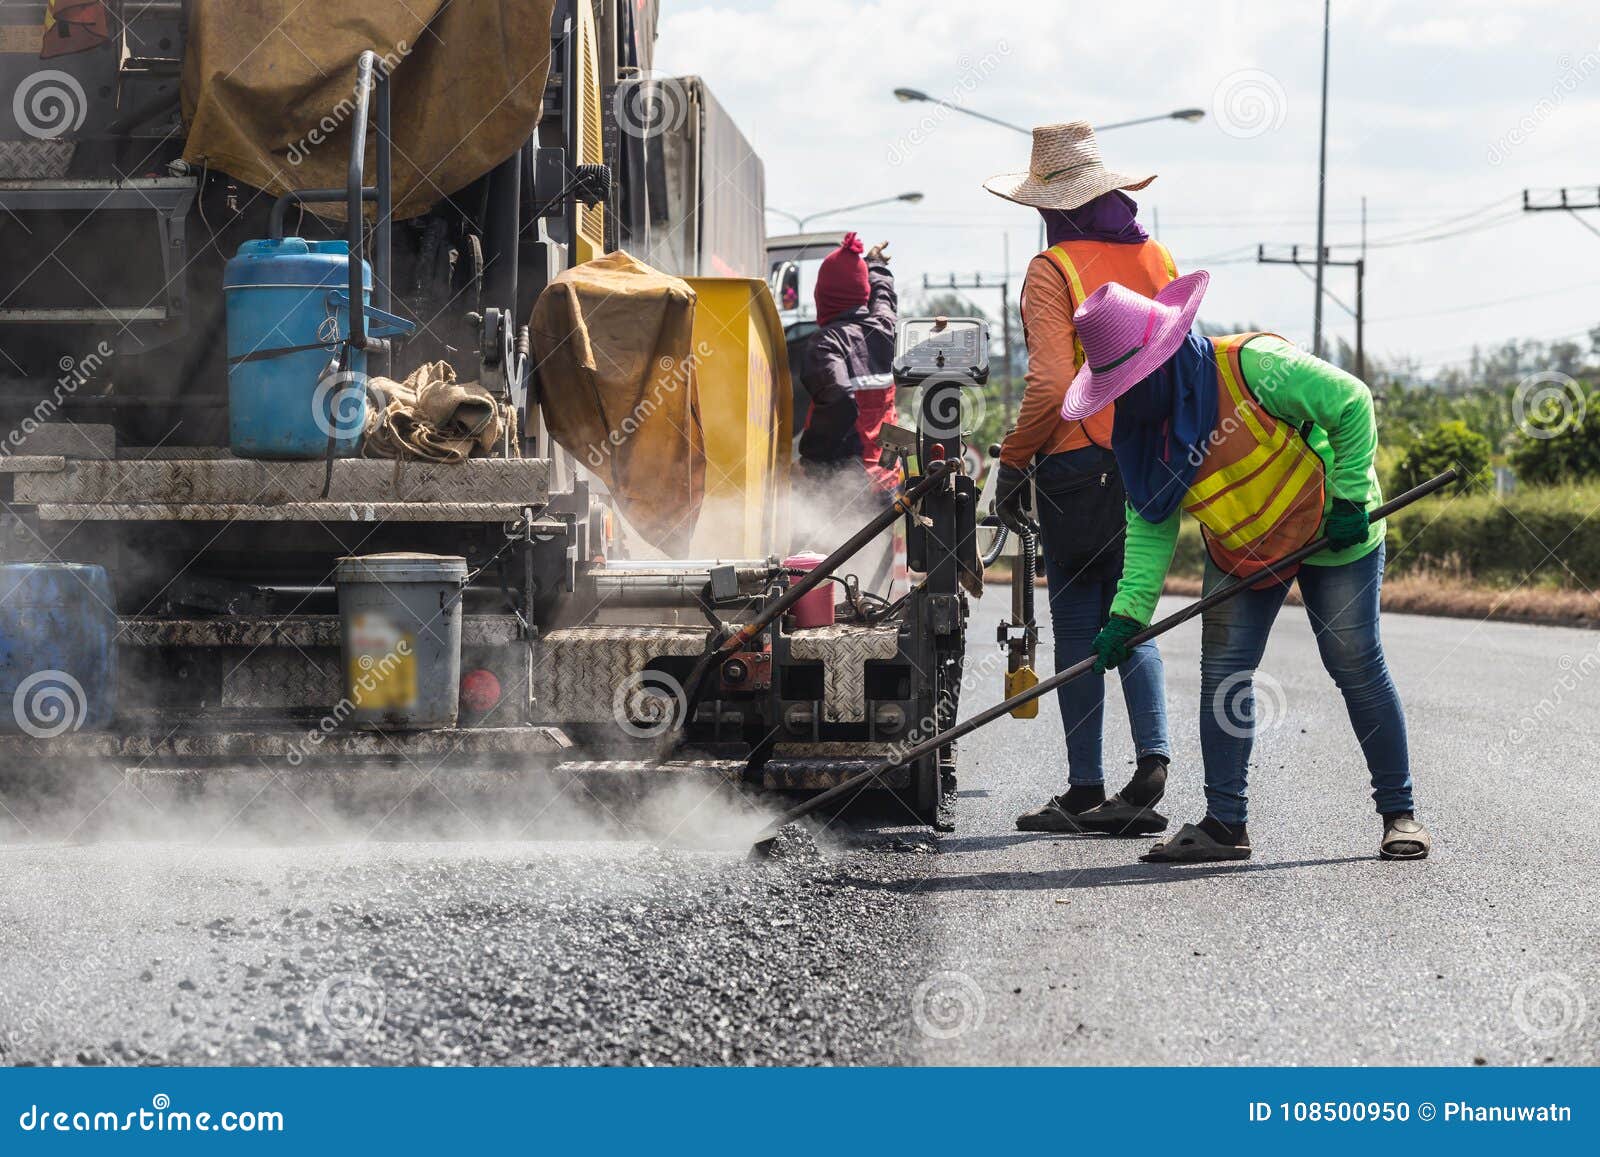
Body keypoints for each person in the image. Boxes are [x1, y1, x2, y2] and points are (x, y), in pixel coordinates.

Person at [1061, 271, 1430, 863]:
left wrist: (1351, 498)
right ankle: (1224, 825)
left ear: (1163, 358)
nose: (1125, 397)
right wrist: (1127, 617)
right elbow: (1151, 525)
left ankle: (1399, 814)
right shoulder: (1142, 434)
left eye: (1132, 381)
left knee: (1354, 663)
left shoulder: (1252, 368)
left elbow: (1352, 402)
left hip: (1330, 528)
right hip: (1243, 549)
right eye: (1116, 386)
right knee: (1225, 676)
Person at [983, 121, 1175, 836]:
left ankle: (1087, 790)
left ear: (1051, 208)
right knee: (1135, 614)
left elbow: (1052, 382)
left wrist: (1010, 460)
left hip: (1079, 463)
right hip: (1153, 460)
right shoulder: (1158, 259)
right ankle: (1153, 758)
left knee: (1077, 624)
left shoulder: (1051, 268)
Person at [796, 232, 899, 594]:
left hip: (843, 484)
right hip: (885, 483)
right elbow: (884, 299)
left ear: (823, 297)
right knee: (874, 574)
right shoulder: (884, 330)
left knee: (817, 570)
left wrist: (812, 456)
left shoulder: (827, 343)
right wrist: (875, 266)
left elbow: (838, 399)